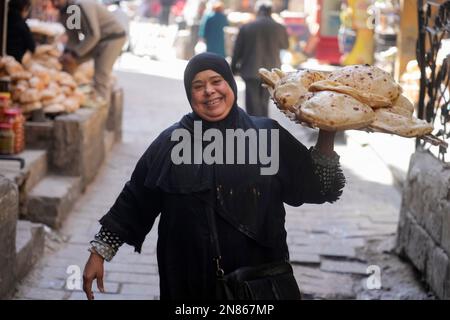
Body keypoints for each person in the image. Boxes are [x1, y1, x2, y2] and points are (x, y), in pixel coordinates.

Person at [82, 52, 345, 300]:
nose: (209, 91)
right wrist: (99, 252)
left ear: (229, 84)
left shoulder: (267, 136)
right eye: (198, 86)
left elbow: (318, 186)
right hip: (188, 282)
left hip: (256, 283)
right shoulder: (171, 143)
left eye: (216, 81)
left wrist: (328, 129)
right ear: (190, 94)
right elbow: (136, 198)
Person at [50, 0, 127, 101]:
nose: (55, 3)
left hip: (111, 38)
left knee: (101, 76)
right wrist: (68, 54)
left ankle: (101, 104)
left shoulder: (82, 5)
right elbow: (73, 37)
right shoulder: (65, 11)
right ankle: (68, 96)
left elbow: (94, 34)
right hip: (96, 39)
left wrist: (74, 54)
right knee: (67, 64)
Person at [231, 0, 288, 117]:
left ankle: (254, 127)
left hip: (250, 69)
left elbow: (237, 50)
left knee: (252, 104)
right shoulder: (279, 27)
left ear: (257, 11)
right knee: (264, 102)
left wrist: (233, 68)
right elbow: (285, 45)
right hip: (270, 73)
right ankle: (263, 127)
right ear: (271, 11)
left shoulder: (246, 27)